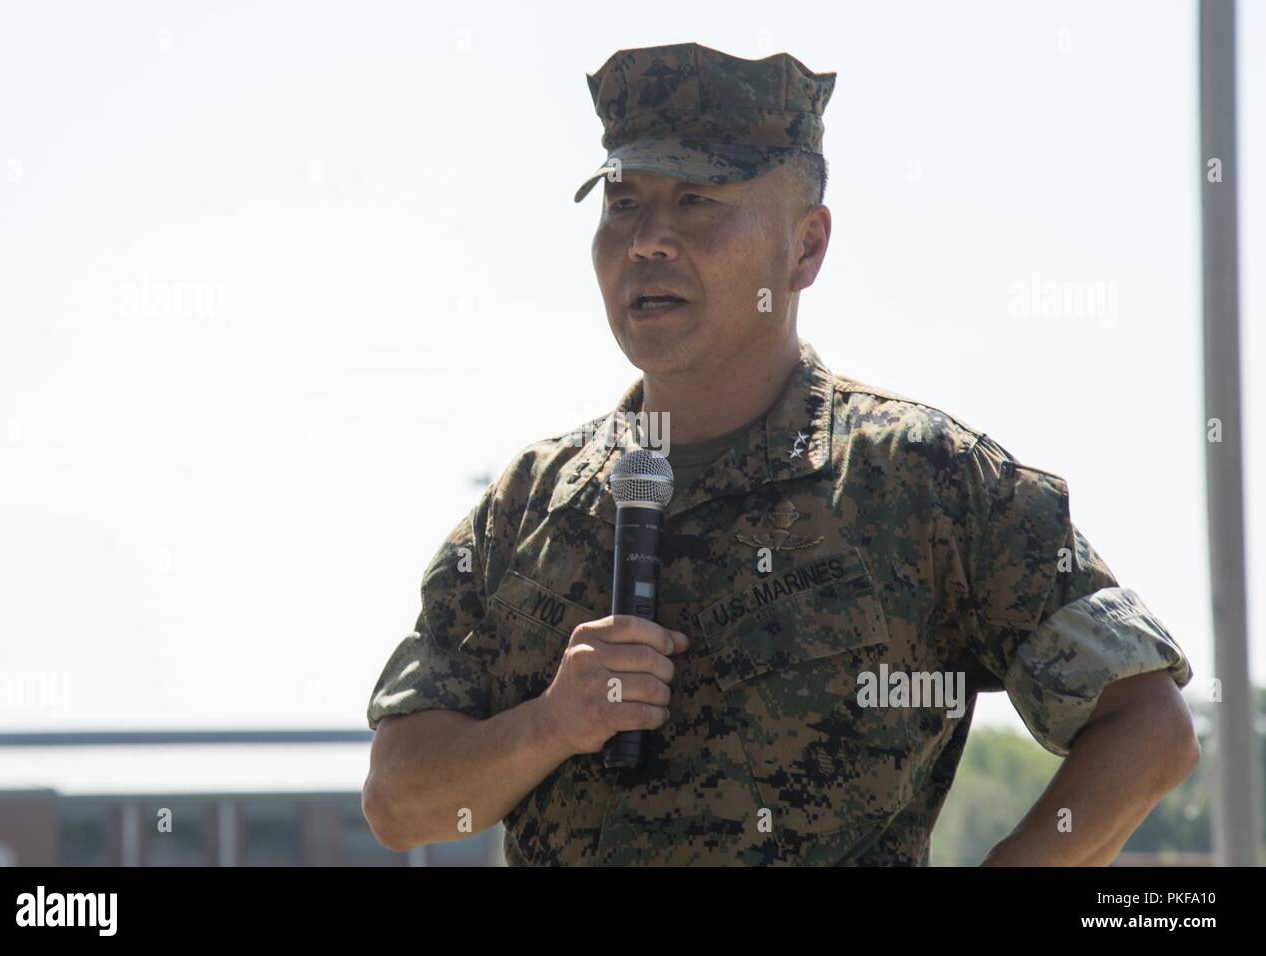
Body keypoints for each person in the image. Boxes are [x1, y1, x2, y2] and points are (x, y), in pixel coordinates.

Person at [362, 42, 1197, 866]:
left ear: (805, 248)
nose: (648, 240)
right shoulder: (528, 507)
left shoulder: (921, 479)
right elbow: (401, 803)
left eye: (696, 201)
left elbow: (1148, 728)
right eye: (622, 204)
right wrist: (547, 724)